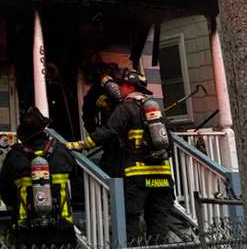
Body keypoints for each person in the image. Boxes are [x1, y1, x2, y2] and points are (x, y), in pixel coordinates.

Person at [65, 68, 178, 243]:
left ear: (128, 86)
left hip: (137, 177)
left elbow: (108, 132)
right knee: (158, 222)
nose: (120, 88)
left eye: (122, 85)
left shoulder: (127, 108)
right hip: (163, 176)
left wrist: (80, 144)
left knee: (130, 220)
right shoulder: (155, 111)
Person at [0, 107, 77, 249]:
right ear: (43, 129)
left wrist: (14, 209)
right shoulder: (61, 150)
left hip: (26, 231)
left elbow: (5, 190)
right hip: (62, 229)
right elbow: (77, 179)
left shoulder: (15, 155)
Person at [81, 61, 122, 133]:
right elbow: (88, 115)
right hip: (108, 129)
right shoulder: (93, 93)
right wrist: (94, 132)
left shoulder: (120, 85)